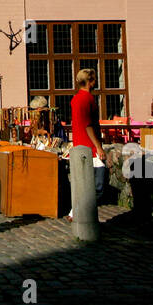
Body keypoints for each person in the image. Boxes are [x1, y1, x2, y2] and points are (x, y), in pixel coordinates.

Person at [69, 69, 107, 206]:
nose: (96, 82)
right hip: (90, 146)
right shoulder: (87, 98)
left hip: (79, 144)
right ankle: (80, 210)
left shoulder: (75, 98)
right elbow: (88, 125)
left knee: (84, 183)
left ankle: (76, 211)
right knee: (98, 185)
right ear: (90, 82)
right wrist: (98, 146)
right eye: (94, 79)